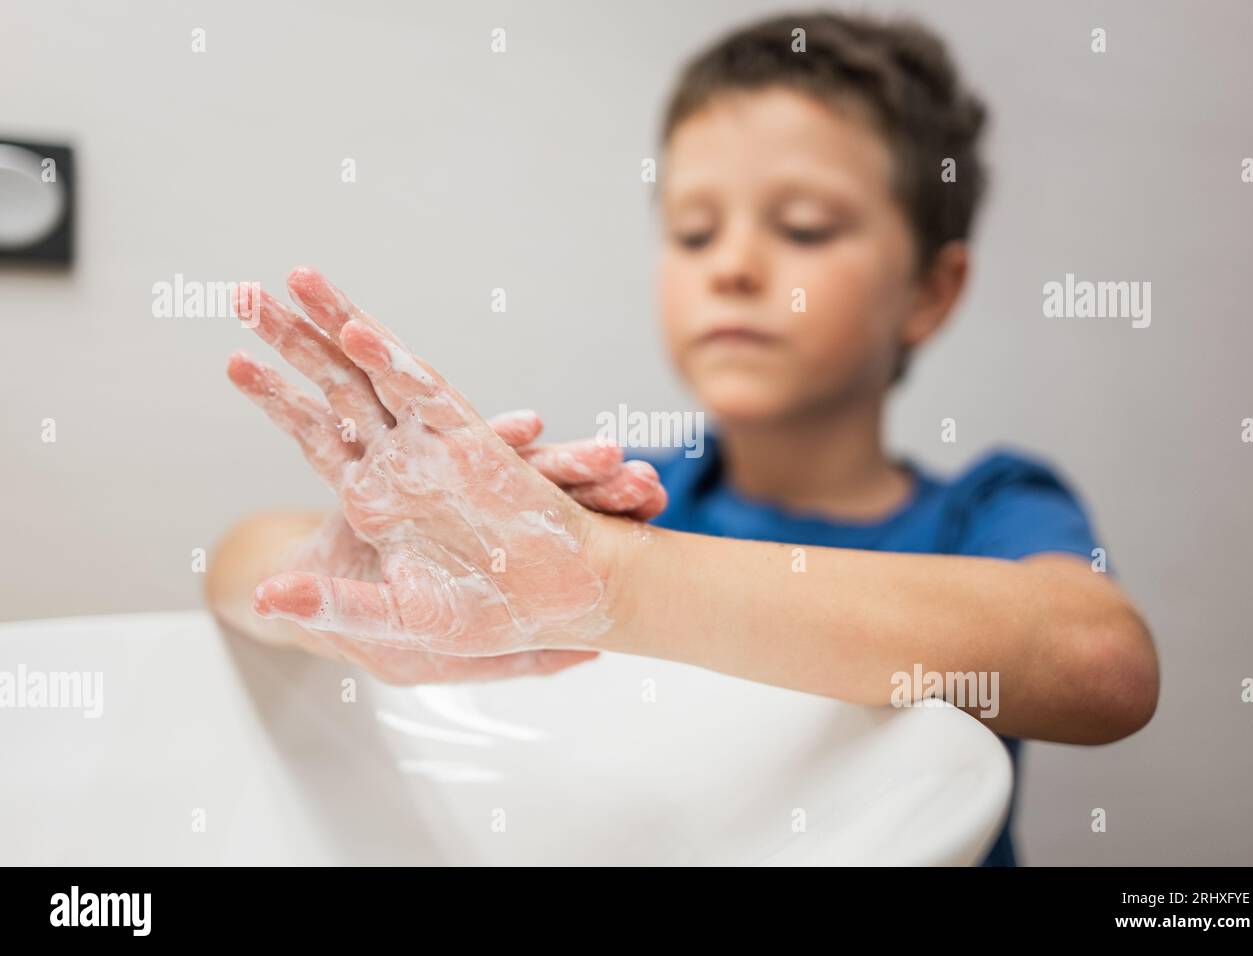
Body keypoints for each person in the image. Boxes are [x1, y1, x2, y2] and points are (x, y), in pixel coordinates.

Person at [206, 11, 1158, 867]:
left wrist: (610, 581)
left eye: (805, 226)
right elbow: (231, 565)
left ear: (930, 292)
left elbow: (1101, 664)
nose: (735, 266)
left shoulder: (988, 508)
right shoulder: (630, 495)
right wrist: (341, 570)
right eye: (695, 233)